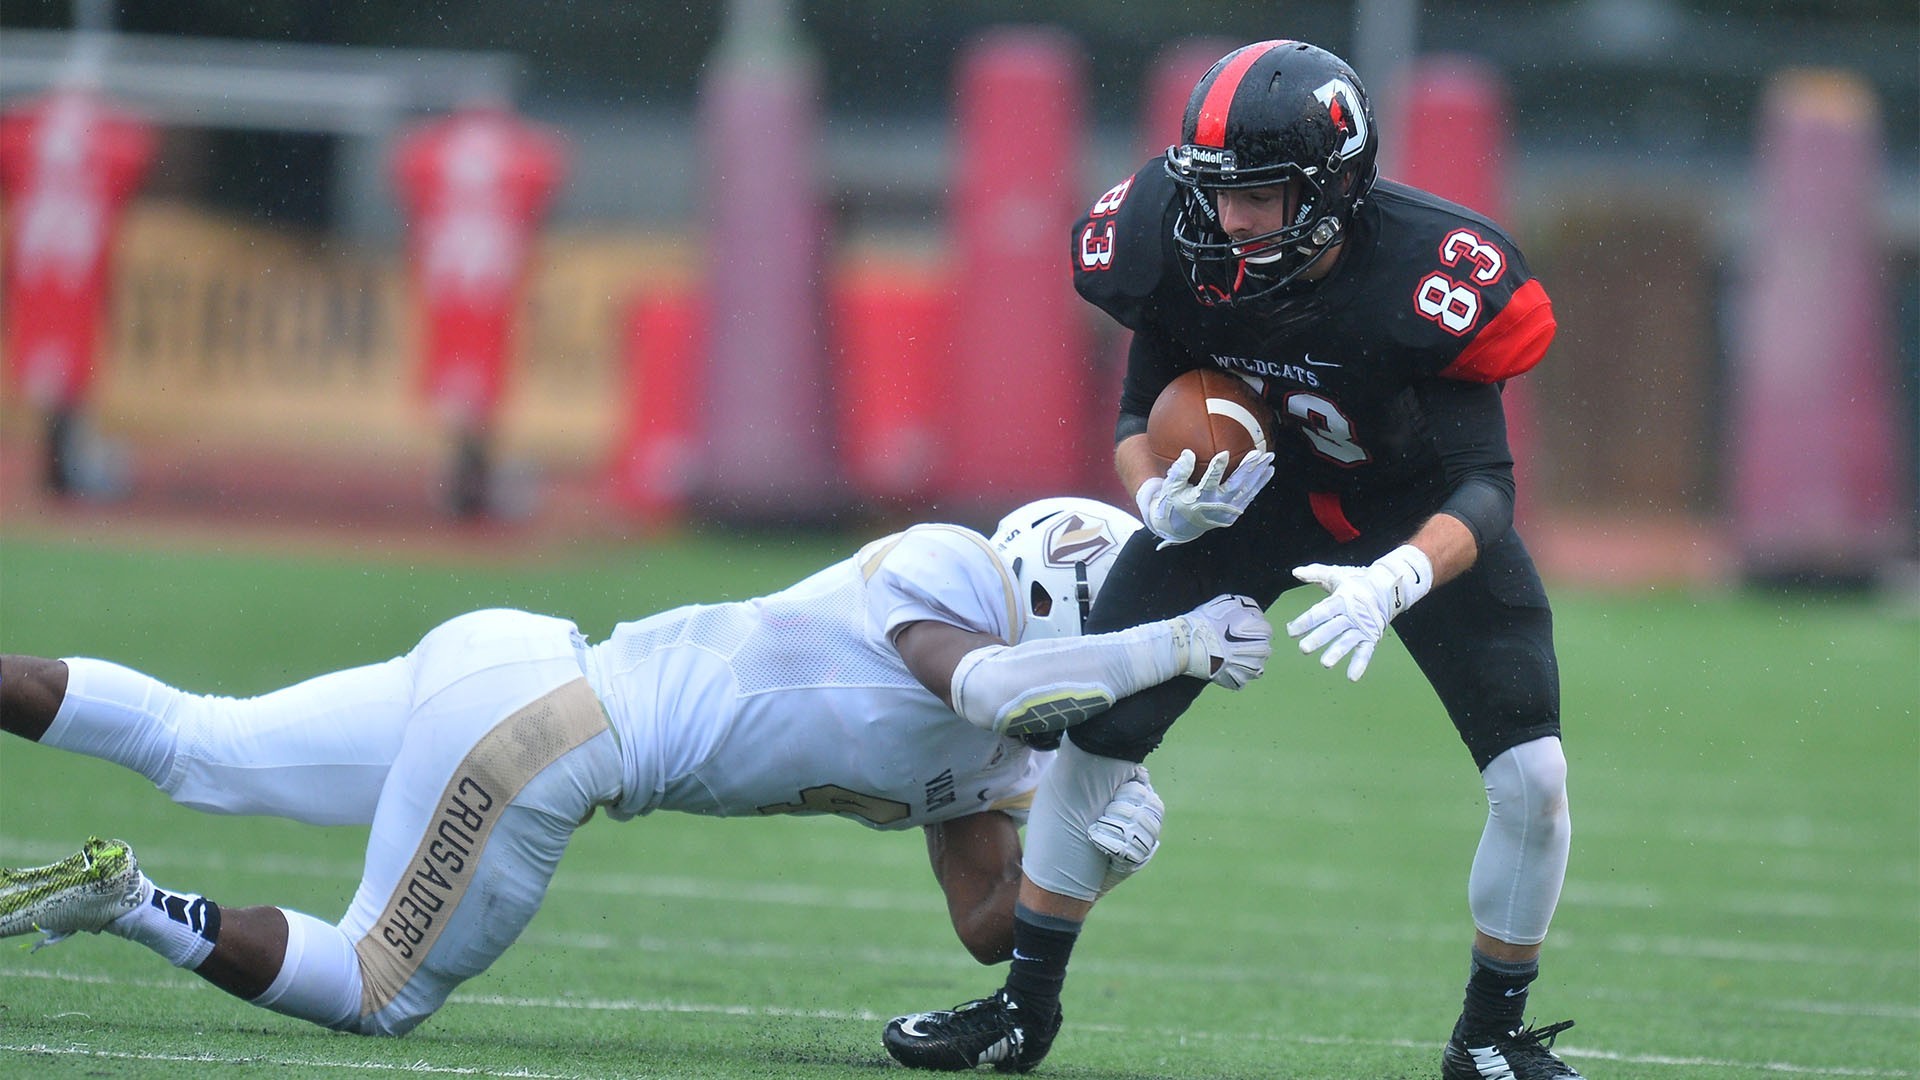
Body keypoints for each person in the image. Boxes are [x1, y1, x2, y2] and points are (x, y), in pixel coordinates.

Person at [884, 41, 1580, 1079]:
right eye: (1218, 193)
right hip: (1243, 507)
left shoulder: (1428, 272)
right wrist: (1156, 492)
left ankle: (1489, 1037)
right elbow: (1141, 409)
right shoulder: (1169, 234)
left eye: (1260, 193)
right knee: (1096, 733)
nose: (1233, 219)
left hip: (1416, 510)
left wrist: (1397, 577)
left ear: (1336, 183)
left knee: (1533, 779)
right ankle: (1024, 1009)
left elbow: (1489, 481)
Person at [0, 497, 1272, 1040]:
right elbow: (987, 683)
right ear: (1066, 605)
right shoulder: (954, 574)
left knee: (201, 743)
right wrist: (1168, 641)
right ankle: (132, 903)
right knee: (378, 994)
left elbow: (989, 932)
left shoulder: (1013, 762)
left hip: (515, 664)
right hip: (552, 734)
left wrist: (1091, 860)